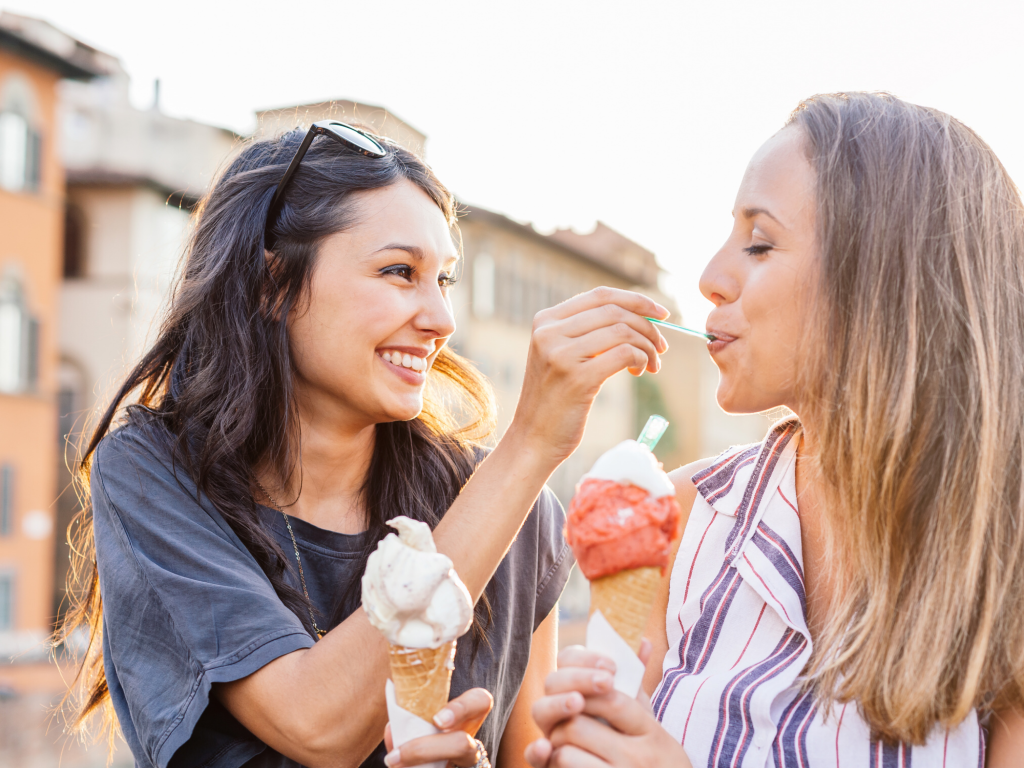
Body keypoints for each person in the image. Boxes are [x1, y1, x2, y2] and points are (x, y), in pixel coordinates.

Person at [59, 121, 673, 768]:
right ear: (273, 285)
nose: (441, 320)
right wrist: (529, 447)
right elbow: (317, 726)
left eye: (444, 281)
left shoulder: (518, 516)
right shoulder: (156, 474)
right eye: (399, 272)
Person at [525, 92, 1024, 766]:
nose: (710, 279)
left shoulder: (1005, 565)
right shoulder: (681, 517)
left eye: (759, 243)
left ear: (880, 278)